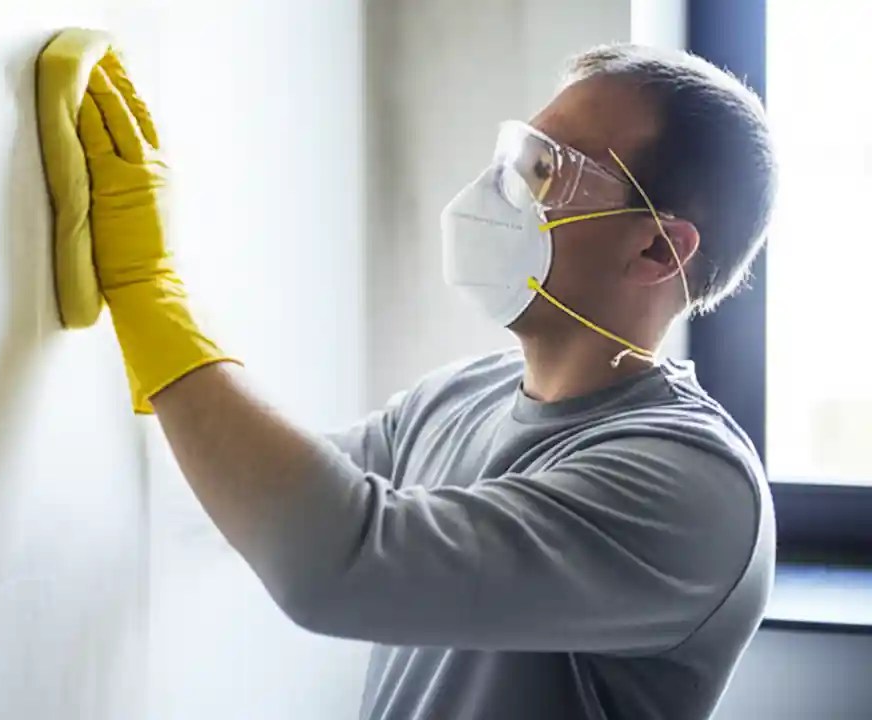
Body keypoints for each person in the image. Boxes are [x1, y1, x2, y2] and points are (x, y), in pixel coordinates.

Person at [76, 42, 777, 720]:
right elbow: (246, 494)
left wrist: (148, 290)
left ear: (656, 248)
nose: (496, 190)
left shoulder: (693, 487)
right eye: (512, 154)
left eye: (543, 168)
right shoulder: (458, 397)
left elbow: (335, 564)